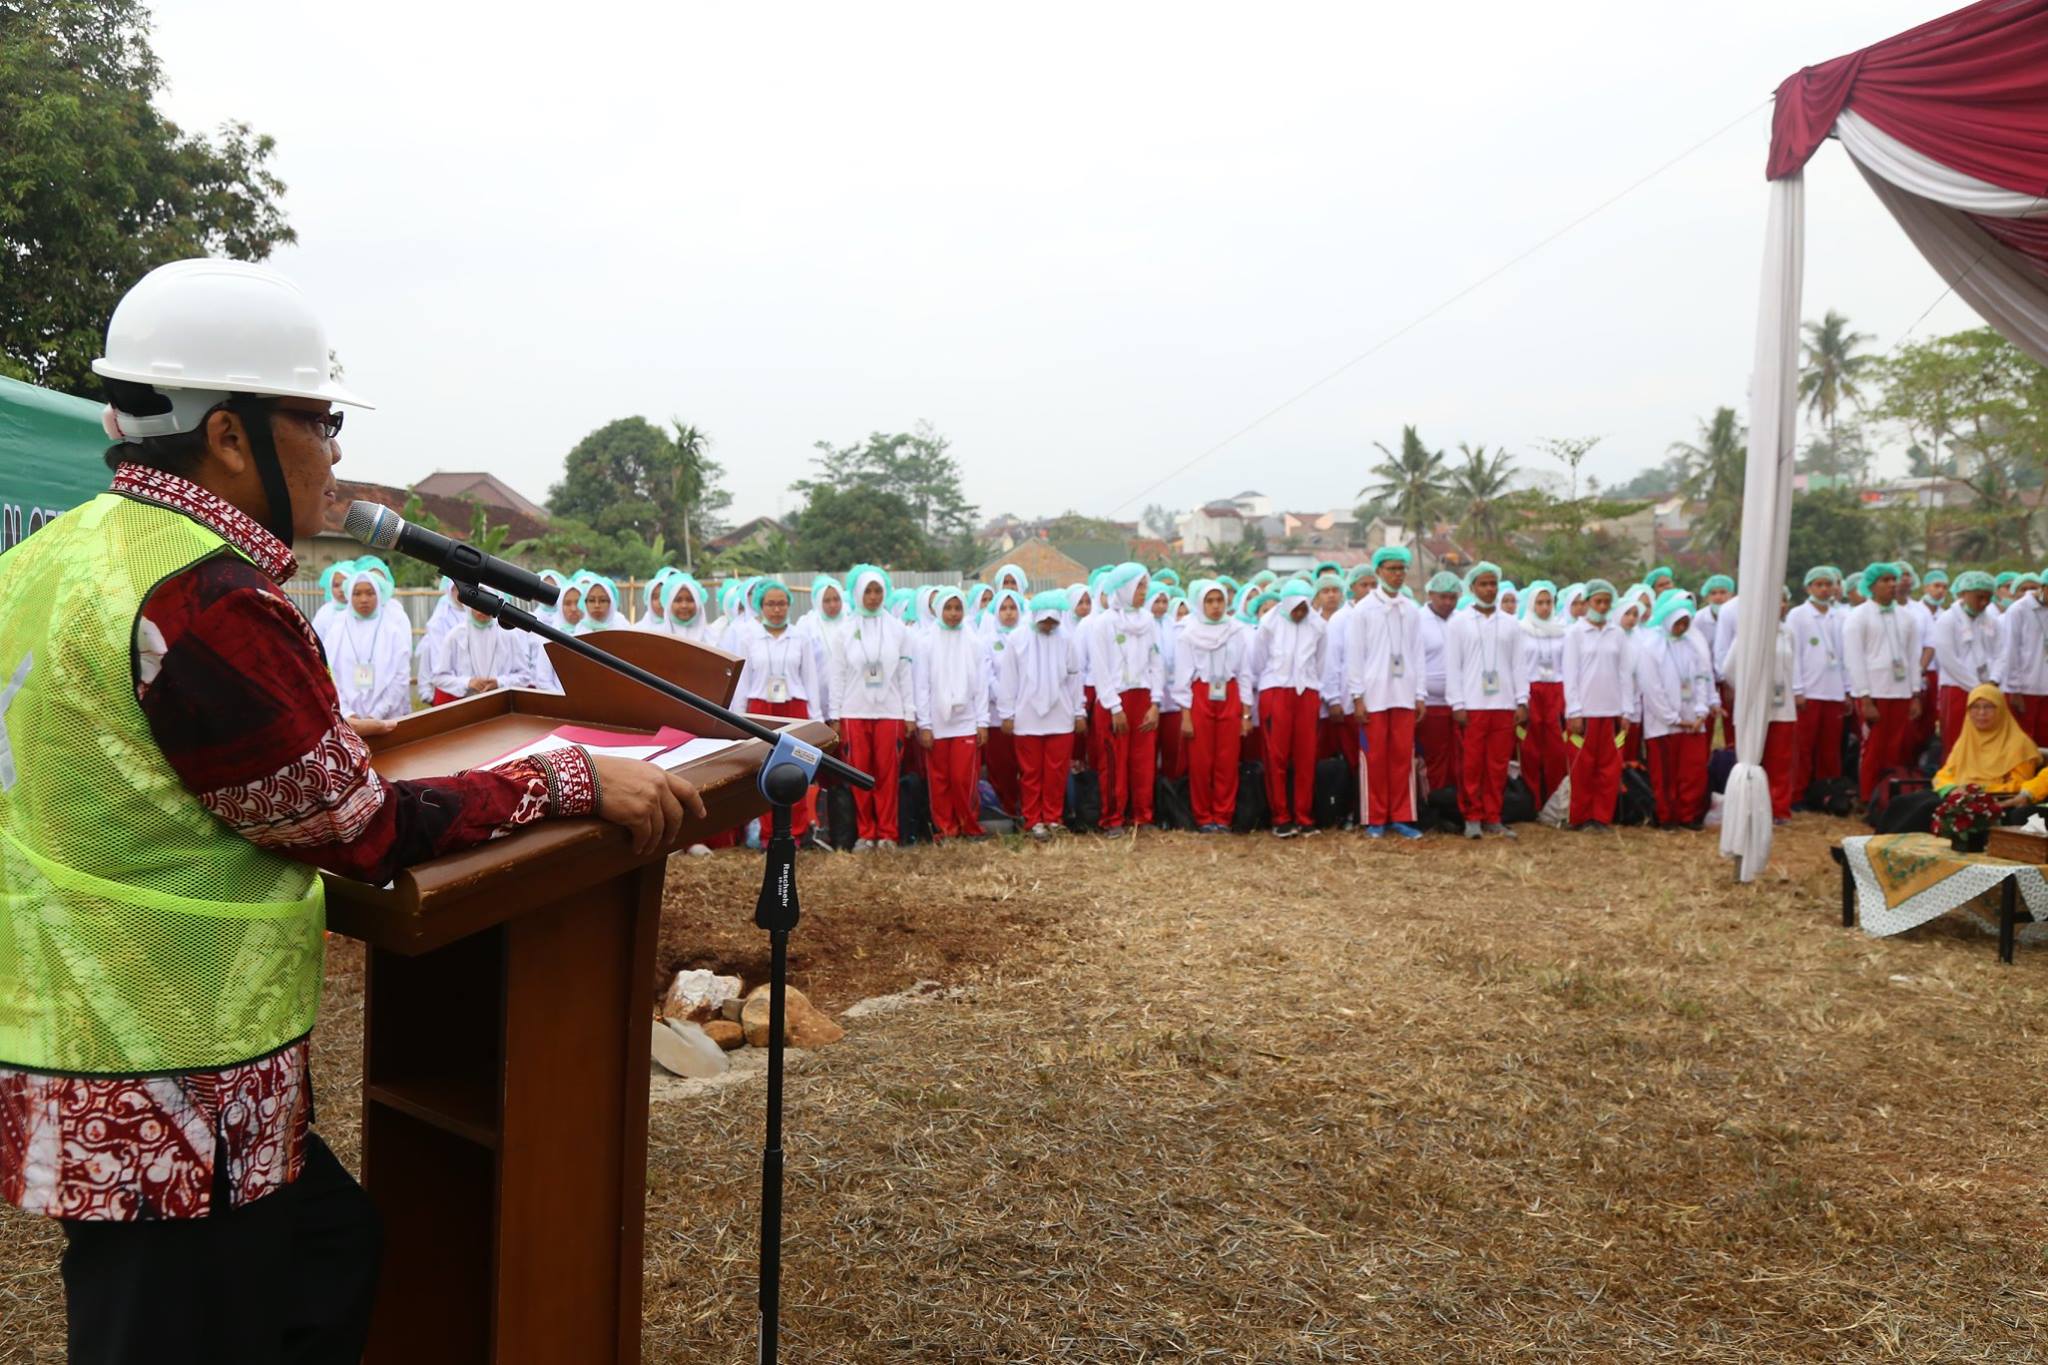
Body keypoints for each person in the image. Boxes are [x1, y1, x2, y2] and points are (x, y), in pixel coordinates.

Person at [0, 257, 704, 1365]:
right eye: (319, 418)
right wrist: (569, 780)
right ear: (229, 434)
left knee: (322, 1256)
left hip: (87, 1017)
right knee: (178, 1326)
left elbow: (106, 742)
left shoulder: (59, 555)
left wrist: (307, 742)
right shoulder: (204, 595)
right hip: (170, 1051)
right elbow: (356, 831)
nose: (334, 450)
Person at [1874, 684, 2048, 833]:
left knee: (1927, 808)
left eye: (1988, 707)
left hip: (1992, 799)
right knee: (1901, 803)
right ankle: (1873, 852)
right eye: (1975, 707)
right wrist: (1951, 789)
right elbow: (1945, 773)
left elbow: (2018, 783)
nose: (1981, 713)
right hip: (1957, 794)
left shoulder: (2020, 744)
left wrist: (1976, 790)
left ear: (2001, 709)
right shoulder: (1967, 739)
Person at [1345, 547, 1427, 839]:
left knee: (1402, 757)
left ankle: (1401, 816)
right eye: (1391, 569)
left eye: (1401, 569)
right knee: (1375, 757)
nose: (1397, 574)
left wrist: (1420, 694)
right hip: (1375, 696)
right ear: (1378, 572)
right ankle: (1375, 817)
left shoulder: (1411, 610)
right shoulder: (1363, 610)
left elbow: (1418, 654)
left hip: (1403, 694)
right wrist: (1357, 696)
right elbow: (1355, 656)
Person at [734, 579, 824, 843]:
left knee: (795, 769)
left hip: (794, 707)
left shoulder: (800, 638)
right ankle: (768, 833)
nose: (776, 610)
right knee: (765, 771)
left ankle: (795, 833)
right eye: (770, 604)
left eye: (782, 604)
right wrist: (740, 718)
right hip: (761, 707)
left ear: (789, 606)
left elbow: (810, 679)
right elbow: (743, 681)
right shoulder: (749, 638)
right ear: (760, 607)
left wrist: (816, 719)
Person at [832, 566, 915, 849]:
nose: (873, 596)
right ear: (857, 593)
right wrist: (834, 716)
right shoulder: (845, 630)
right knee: (859, 773)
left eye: (878, 590)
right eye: (867, 590)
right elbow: (837, 675)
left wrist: (910, 713)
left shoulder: (898, 629)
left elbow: (906, 673)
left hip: (890, 712)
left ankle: (888, 833)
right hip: (854, 711)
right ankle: (866, 833)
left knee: (888, 774)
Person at [997, 590, 1087, 839]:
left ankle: (1053, 817)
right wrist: (1007, 713)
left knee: (1057, 772)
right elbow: (1009, 679)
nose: (1048, 625)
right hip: (1027, 716)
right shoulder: (1017, 639)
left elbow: (1074, 678)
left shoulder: (1066, 639)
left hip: (1061, 715)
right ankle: (1033, 819)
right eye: (1044, 621)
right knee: (1031, 772)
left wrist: (1079, 711)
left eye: (1053, 621)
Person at [1446, 562, 1526, 838]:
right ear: (1472, 587)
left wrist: (1522, 700)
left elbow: (1519, 665)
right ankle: (1472, 816)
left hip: (1503, 704)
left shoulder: (1511, 623)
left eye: (1493, 584)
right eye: (1483, 584)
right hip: (1473, 704)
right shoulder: (1459, 623)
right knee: (1471, 764)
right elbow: (1453, 666)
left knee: (1498, 764)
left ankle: (1493, 815)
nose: (1490, 589)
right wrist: (1457, 703)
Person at [1171, 580, 1254, 832]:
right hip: (1201, 697)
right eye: (1209, 601)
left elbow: (1245, 672)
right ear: (1200, 603)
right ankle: (1203, 816)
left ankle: (1223, 815)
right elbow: (1182, 677)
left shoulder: (1236, 631)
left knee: (1227, 759)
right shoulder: (1188, 635)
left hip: (1229, 695)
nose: (1216, 606)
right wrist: (1186, 715)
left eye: (1219, 600)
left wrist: (1246, 713)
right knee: (1201, 760)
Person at [1088, 563, 1164, 834]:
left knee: (1143, 761)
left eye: (1145, 585)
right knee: (1113, 762)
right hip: (1114, 701)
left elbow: (1157, 661)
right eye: (1139, 586)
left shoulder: (1148, 621)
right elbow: (1100, 668)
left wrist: (1155, 703)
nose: (1145, 591)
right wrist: (1114, 707)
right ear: (1124, 589)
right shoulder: (1104, 623)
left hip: (1142, 698)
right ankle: (1113, 819)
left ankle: (1142, 816)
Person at [1247, 578, 1325, 837]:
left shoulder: (1318, 625)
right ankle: (1280, 816)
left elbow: (1321, 662)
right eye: (1297, 607)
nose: (1301, 612)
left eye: (1305, 607)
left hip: (1307, 693)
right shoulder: (1269, 623)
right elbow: (1257, 662)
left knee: (1306, 756)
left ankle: (1304, 815)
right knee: (1276, 756)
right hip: (1275, 691)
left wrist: (1313, 687)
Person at [913, 588, 990, 842]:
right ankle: (946, 828)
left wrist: (982, 721)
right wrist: (924, 724)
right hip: (936, 722)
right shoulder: (925, 642)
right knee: (940, 779)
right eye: (948, 608)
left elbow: (980, 686)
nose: (953, 614)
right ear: (938, 609)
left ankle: (969, 825)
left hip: (966, 723)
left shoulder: (974, 642)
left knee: (962, 778)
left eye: (958, 608)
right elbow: (921, 686)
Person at [1841, 562, 1922, 802]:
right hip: (1874, 693)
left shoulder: (1907, 617)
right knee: (1873, 748)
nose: (1892, 584)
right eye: (1885, 580)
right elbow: (1854, 659)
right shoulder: (1858, 617)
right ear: (1871, 585)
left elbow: (1913, 657)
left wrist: (1915, 693)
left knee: (1897, 749)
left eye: (1893, 579)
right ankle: (1868, 798)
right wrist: (1865, 698)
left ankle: (1890, 798)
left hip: (1901, 693)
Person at [1563, 580, 1633, 828]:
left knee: (1608, 769)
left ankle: (1602, 816)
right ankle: (1580, 817)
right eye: (1597, 602)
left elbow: (1625, 674)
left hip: (1611, 711)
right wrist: (1574, 710)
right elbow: (1570, 675)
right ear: (1587, 603)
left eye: (1606, 602)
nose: (1602, 607)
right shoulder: (1576, 633)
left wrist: (1626, 710)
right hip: (1586, 711)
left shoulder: (1617, 634)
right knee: (1583, 767)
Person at [1635, 596, 1710, 829]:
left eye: (1686, 622)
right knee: (1665, 772)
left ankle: (1689, 815)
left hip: (1692, 721)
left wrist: (1701, 711)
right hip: (1664, 724)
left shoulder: (1691, 645)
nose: (1682, 628)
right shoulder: (1651, 647)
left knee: (1692, 771)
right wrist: (1673, 718)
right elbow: (1652, 688)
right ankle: (1667, 816)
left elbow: (1701, 678)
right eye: (1678, 623)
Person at [1786, 566, 1848, 801]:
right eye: (1818, 585)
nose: (1824, 589)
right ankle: (1798, 793)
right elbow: (1794, 655)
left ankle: (1827, 793)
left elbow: (1844, 656)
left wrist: (1847, 690)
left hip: (1833, 691)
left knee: (1830, 748)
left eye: (1828, 584)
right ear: (1808, 587)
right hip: (1809, 691)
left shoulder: (1839, 616)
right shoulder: (1798, 616)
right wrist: (1797, 689)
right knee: (1802, 747)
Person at [1932, 570, 2001, 759]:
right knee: (1956, 740)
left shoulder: (1991, 620)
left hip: (1987, 688)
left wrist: (1993, 680)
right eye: (1979, 597)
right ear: (1964, 594)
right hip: (1958, 688)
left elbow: (2000, 653)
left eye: (1988, 598)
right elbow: (1948, 659)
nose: (1984, 603)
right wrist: (1976, 686)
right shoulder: (1947, 620)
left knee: (1984, 741)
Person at [329, 568, 413, 724]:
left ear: (379, 595)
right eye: (357, 594)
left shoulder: (392, 630)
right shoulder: (337, 629)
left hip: (388, 717)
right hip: (347, 721)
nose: (364, 599)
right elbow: (329, 673)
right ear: (349, 595)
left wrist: (376, 714)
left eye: (370, 593)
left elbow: (401, 676)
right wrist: (347, 713)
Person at [1518, 581, 1569, 809]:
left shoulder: (1562, 630)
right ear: (1531, 604)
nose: (1545, 607)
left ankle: (1554, 800)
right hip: (1532, 690)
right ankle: (1532, 800)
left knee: (1556, 749)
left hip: (1556, 690)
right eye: (1540, 602)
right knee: (1530, 749)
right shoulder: (1521, 630)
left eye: (1549, 602)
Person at [979, 589, 1027, 817]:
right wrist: (1006, 699)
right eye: (1003, 608)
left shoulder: (1028, 637)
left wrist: (1019, 700)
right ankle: (1005, 812)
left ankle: (1025, 811)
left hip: (1027, 714)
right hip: (998, 716)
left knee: (1026, 766)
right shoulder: (988, 641)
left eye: (1013, 608)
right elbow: (987, 676)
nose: (1009, 613)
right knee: (1001, 766)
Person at [1416, 571, 1463, 796]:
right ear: (1430, 594)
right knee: (1435, 757)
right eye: (1443, 597)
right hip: (1430, 703)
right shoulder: (1417, 621)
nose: (1448, 603)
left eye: (1453, 597)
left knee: (1460, 756)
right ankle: (1435, 802)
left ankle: (1455, 805)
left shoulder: (1463, 620)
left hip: (1460, 704)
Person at [431, 604, 534, 703]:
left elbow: (524, 676)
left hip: (502, 704)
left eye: (486, 605)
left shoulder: (508, 635)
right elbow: (439, 677)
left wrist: (499, 682)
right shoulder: (455, 636)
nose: (481, 610)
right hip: (467, 706)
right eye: (476, 605)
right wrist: (467, 682)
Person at [1763, 588, 1802, 824]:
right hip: (1760, 706)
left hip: (1784, 705)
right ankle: (1759, 807)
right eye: (1776, 600)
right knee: (1760, 756)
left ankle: (1780, 808)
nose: (1782, 605)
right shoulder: (1753, 631)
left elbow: (1793, 666)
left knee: (1782, 758)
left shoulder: (1787, 632)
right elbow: (1731, 668)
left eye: (1785, 600)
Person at [2000, 570, 2048, 744]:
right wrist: (2014, 689)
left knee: (2044, 742)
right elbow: (2010, 651)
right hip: (2024, 689)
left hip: (2046, 687)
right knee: (2023, 742)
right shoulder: (2018, 610)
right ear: (2043, 587)